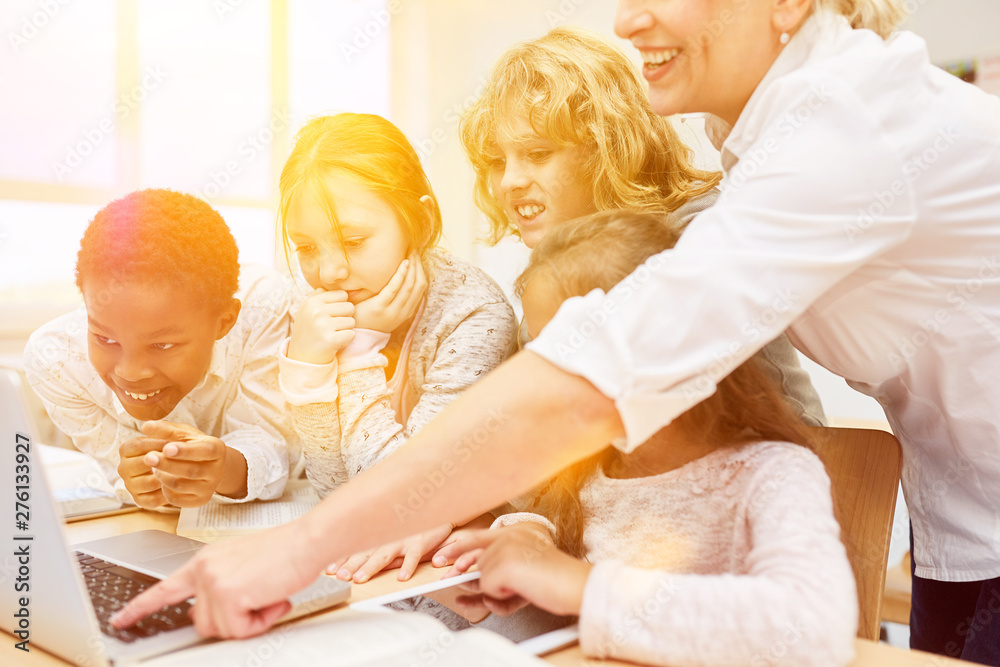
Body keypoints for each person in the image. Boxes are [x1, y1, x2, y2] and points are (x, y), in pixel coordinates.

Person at [116, 3, 1000, 662]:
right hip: (961, 513)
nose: (628, 17)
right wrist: (529, 529)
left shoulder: (837, 128)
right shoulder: (770, 140)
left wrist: (300, 548)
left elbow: (617, 407)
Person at [436, 209, 857, 666]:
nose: (541, 382)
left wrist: (579, 586)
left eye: (566, 350)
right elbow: (577, 532)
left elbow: (814, 627)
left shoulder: (775, 474)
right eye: (539, 354)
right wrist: (529, 536)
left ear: (662, 343)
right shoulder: (594, 463)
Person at [460, 26, 826, 426]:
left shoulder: (698, 234)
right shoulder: (556, 269)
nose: (510, 181)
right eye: (497, 161)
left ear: (606, 148)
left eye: (537, 153)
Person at [275, 113, 519, 581]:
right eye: (306, 248)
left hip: (456, 569)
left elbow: (401, 498)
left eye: (353, 241)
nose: (329, 272)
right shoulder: (321, 311)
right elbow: (332, 489)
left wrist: (356, 353)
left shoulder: (472, 317)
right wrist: (307, 364)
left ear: (419, 221)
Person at [24, 188, 298, 509]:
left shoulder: (262, 308)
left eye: (162, 344)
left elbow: (274, 443)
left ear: (224, 322)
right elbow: (123, 473)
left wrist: (223, 468)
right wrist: (139, 480)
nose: (130, 372)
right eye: (105, 339)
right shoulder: (56, 362)